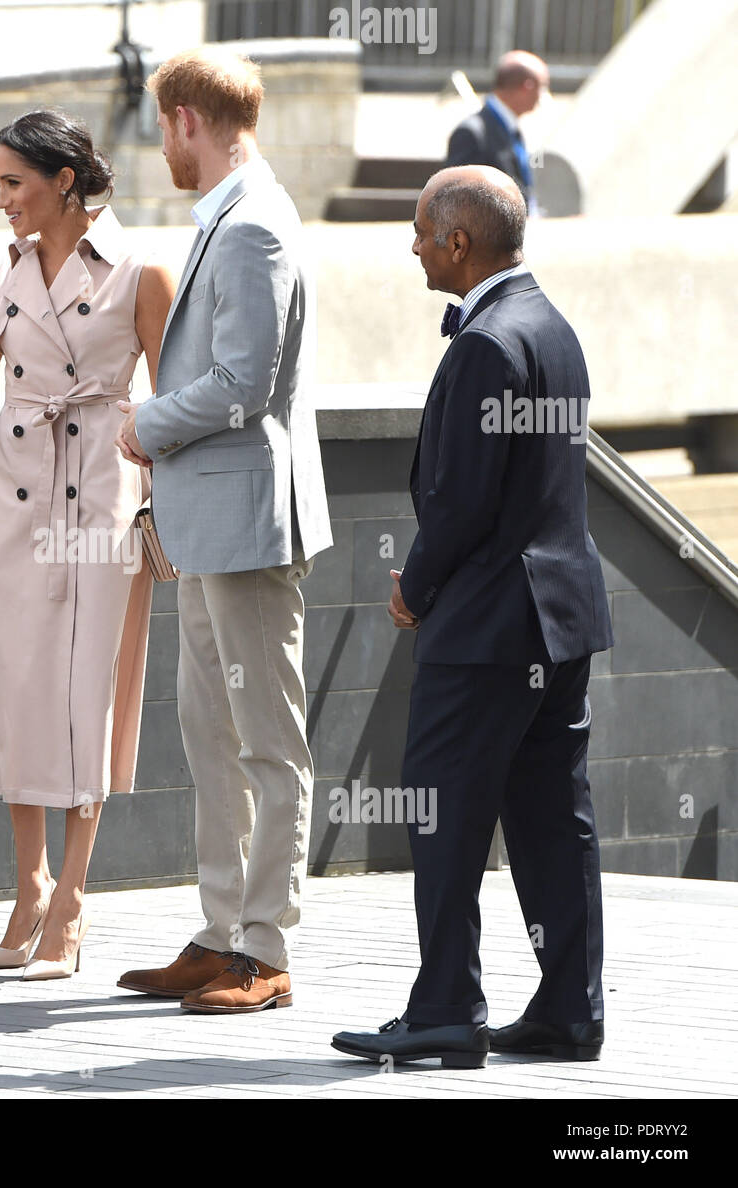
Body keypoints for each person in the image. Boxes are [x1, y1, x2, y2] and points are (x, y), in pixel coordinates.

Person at [331, 165, 613, 1067]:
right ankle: (570, 1008)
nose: (412, 243)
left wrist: (412, 585)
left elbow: (461, 503)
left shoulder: (487, 342)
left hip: (490, 625)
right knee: (550, 818)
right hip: (560, 618)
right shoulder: (552, 325)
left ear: (459, 241)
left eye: (420, 229)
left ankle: (447, 1006)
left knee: (446, 815)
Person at [0, 111, 175, 981]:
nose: (4, 201)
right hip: (14, 493)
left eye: (15, 183)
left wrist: (145, 471)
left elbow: (174, 402)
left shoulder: (141, 271)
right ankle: (29, 888)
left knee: (85, 693)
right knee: (11, 687)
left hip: (98, 493)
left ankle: (74, 905)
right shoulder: (1, 272)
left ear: (66, 179)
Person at [114, 47, 332, 1015]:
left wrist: (144, 424)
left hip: (247, 526)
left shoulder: (252, 228)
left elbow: (245, 381)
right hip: (212, 523)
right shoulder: (232, 218)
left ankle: (267, 949)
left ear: (187, 121)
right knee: (209, 735)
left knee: (265, 744)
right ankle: (219, 935)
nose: (161, 144)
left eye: (163, 127)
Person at [446, 50, 549, 214]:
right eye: (542, 87)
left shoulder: (509, 127)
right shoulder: (472, 133)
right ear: (527, 87)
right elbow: (458, 204)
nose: (542, 96)